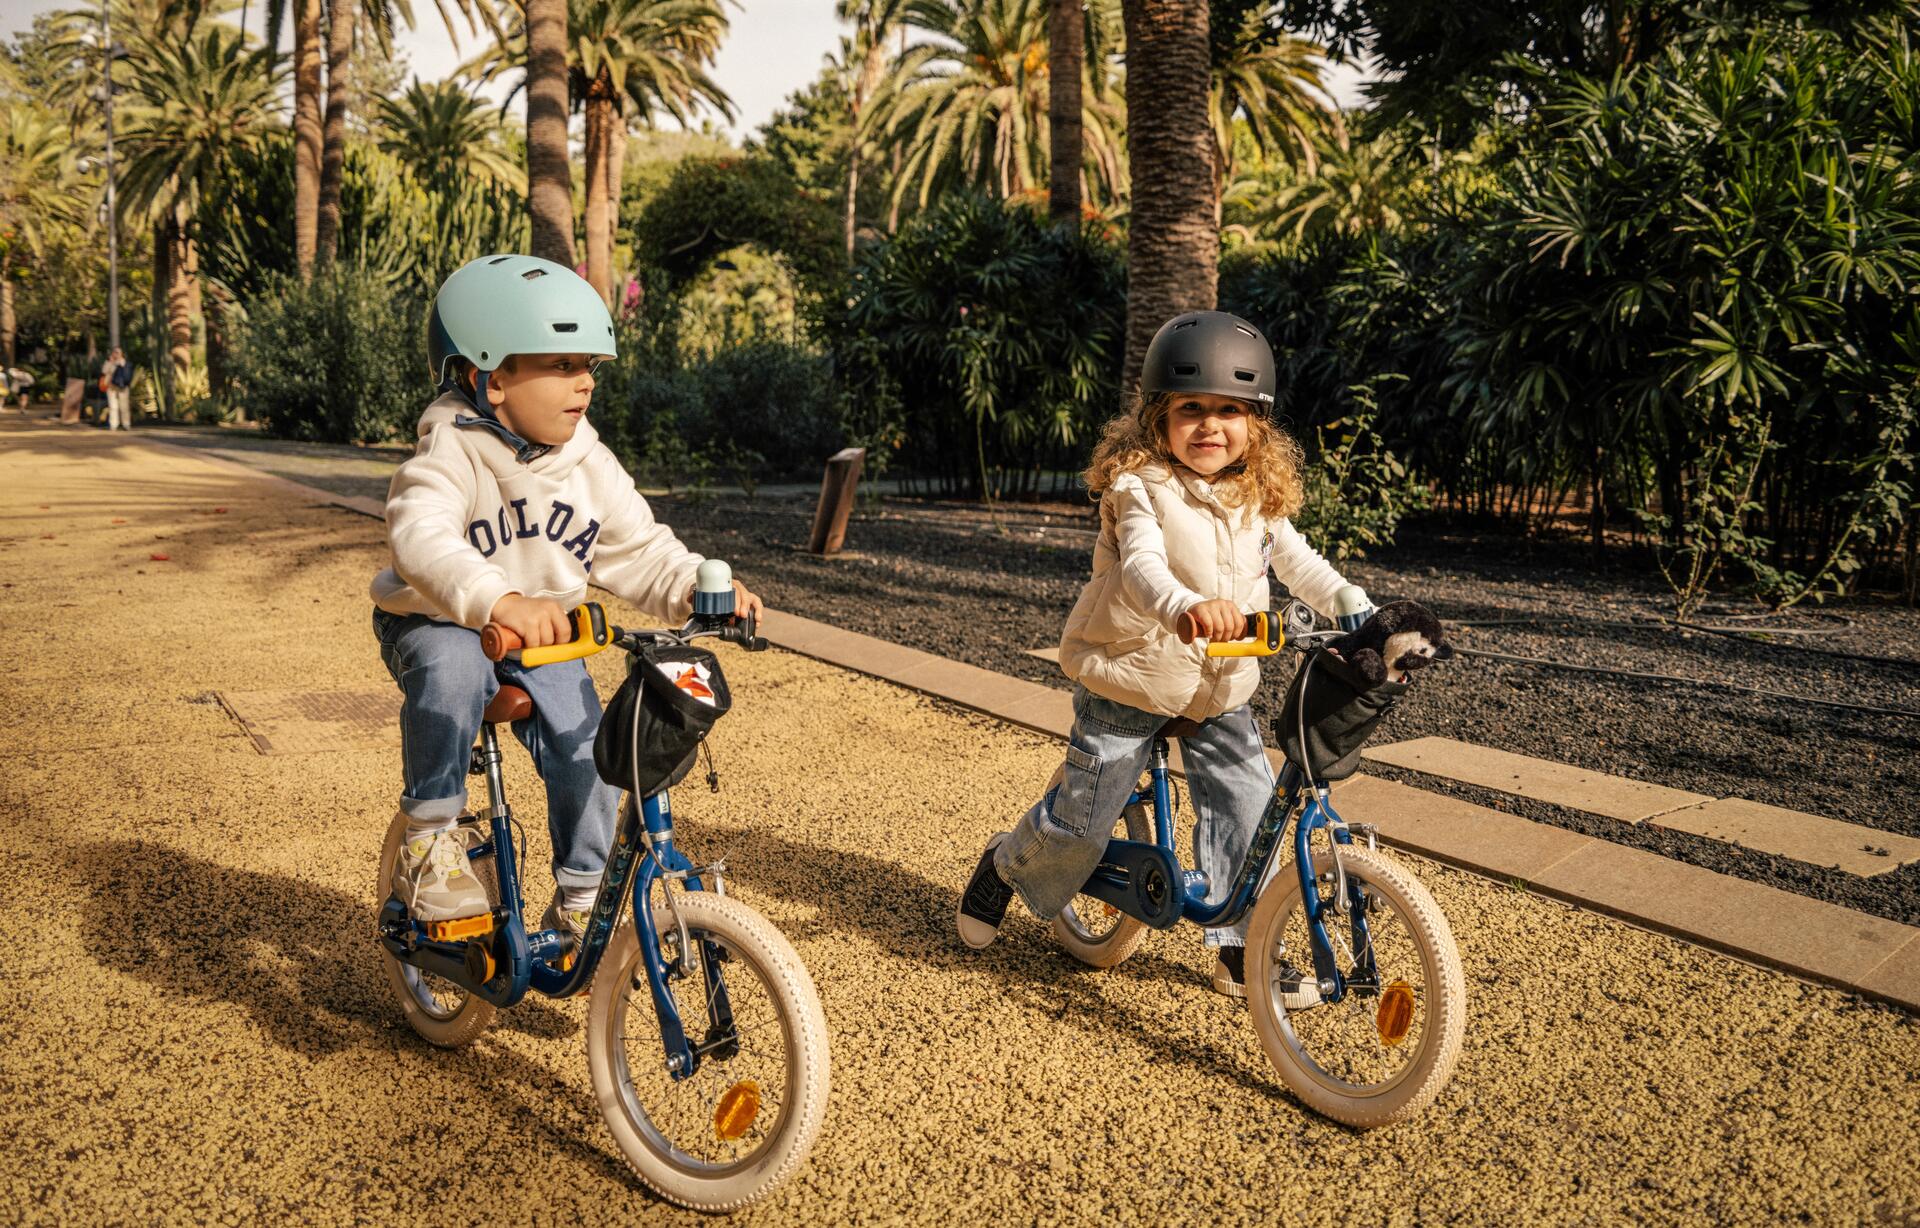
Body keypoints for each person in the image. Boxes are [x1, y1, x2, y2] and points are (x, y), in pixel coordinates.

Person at [954, 311, 1356, 998]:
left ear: (1256, 425)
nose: (1209, 425)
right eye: (1189, 409)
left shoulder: (1255, 497)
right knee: (1082, 823)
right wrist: (1184, 608)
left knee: (1249, 812)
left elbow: (1304, 565)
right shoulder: (1140, 487)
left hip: (1219, 691)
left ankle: (1239, 947)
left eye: (1229, 411)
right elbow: (1142, 565)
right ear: (1157, 419)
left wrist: (1359, 608)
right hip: (1130, 681)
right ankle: (1008, 863)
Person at [369, 253, 763, 952]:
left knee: (590, 741)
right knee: (451, 675)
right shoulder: (448, 451)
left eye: (589, 365)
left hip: (545, 637)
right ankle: (429, 842)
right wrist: (497, 598)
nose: (583, 381)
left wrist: (699, 588)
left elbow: (638, 548)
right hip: (438, 620)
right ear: (492, 380)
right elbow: (418, 536)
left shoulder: (587, 460)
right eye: (559, 364)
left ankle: (583, 896)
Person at [102, 350, 132, 429]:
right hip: (111, 387)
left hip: (123, 387)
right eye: (114, 352)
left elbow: (127, 374)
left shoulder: (125, 363)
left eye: (118, 353)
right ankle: (113, 424)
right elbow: (104, 371)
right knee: (113, 407)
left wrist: (120, 363)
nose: (116, 354)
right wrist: (111, 363)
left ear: (121, 354)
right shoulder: (109, 362)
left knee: (124, 406)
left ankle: (126, 424)